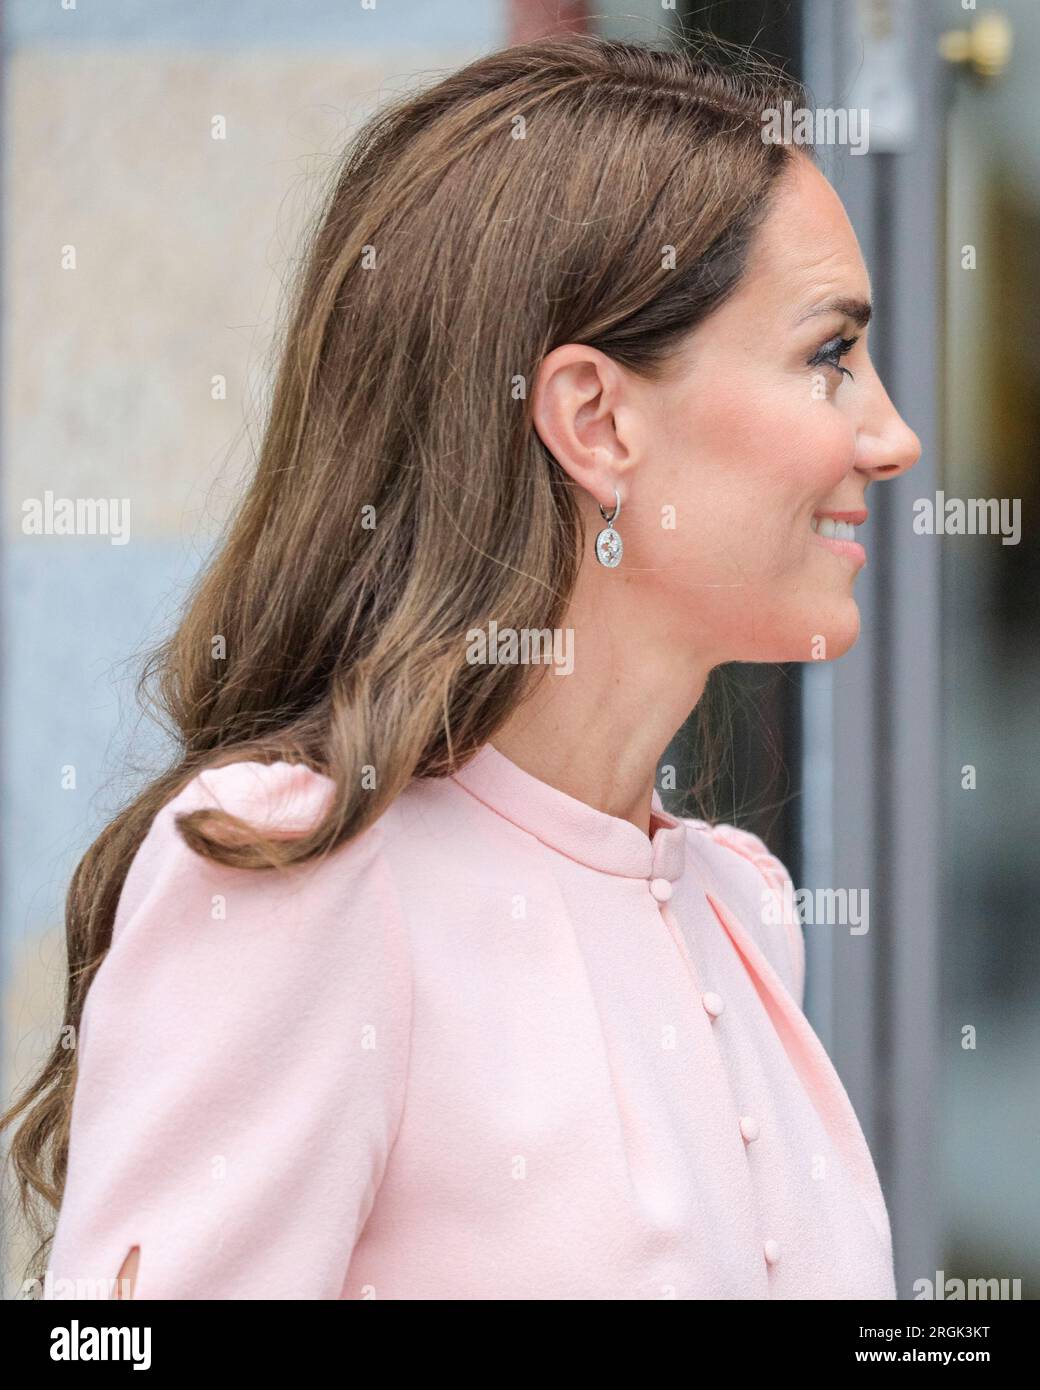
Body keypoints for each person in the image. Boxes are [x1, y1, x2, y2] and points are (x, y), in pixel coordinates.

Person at [3, 33, 920, 1300]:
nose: (890, 434)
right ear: (595, 420)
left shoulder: (738, 905)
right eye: (828, 355)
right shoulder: (299, 873)